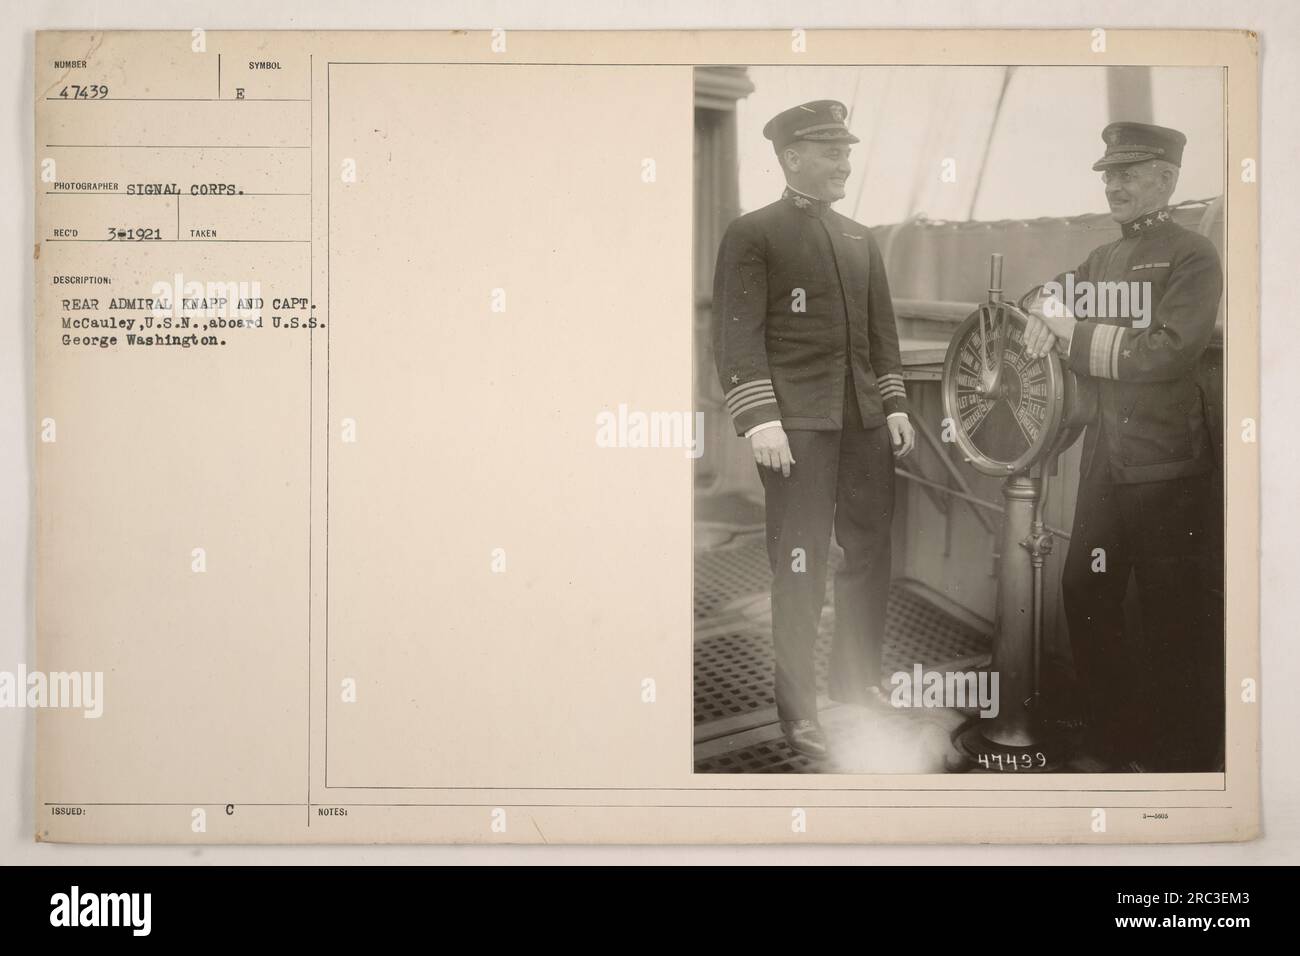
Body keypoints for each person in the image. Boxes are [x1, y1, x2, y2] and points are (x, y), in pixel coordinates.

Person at [711, 100, 915, 759]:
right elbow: (736, 336)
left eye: (847, 152)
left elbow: (882, 335)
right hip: (794, 428)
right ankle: (798, 713)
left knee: (870, 552)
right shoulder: (754, 234)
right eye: (832, 153)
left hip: (864, 424)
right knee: (799, 565)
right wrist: (759, 418)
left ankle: (857, 682)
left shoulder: (860, 238)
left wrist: (895, 406)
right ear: (792, 156)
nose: (844, 164)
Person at [1020, 121, 1224, 772]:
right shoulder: (1103, 260)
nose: (1113, 185)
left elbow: (1168, 352)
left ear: (1165, 179)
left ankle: (1178, 762)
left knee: (1172, 614)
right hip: (1106, 461)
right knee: (1086, 590)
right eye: (1109, 174)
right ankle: (1116, 738)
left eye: (1127, 174)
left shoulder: (1193, 255)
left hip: (1168, 466)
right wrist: (1040, 313)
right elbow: (1045, 292)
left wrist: (1071, 335)